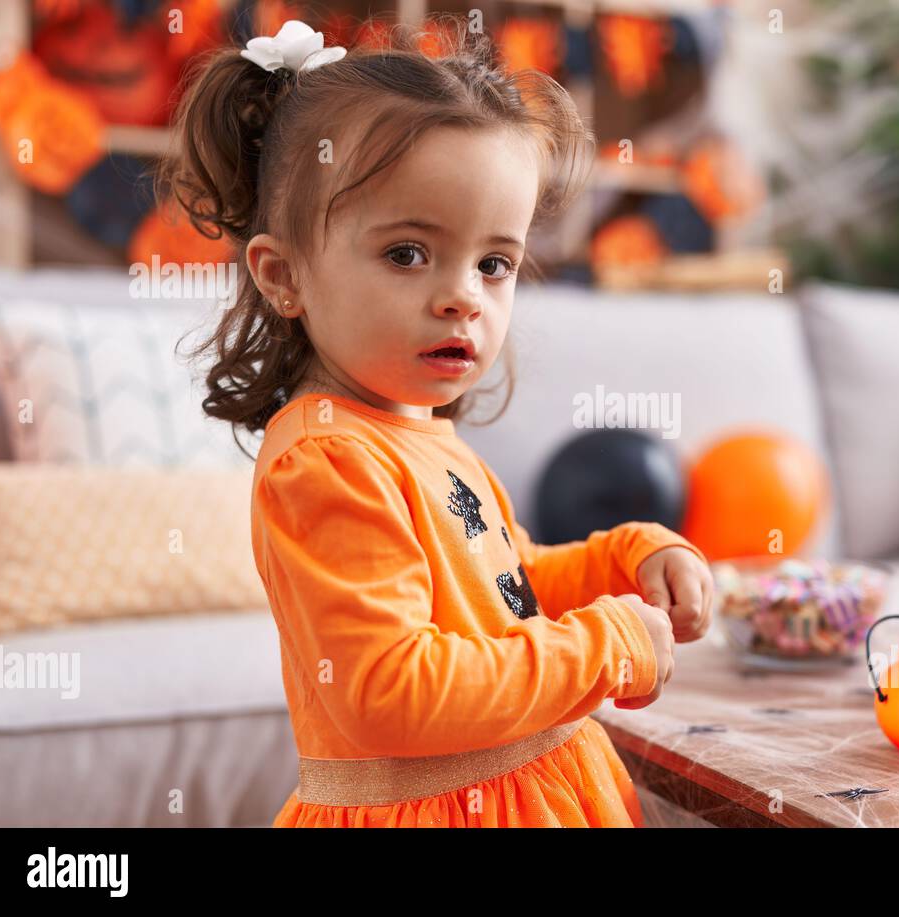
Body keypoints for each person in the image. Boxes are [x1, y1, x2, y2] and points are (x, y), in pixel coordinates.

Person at [161, 16, 713, 827]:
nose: (463, 295)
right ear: (285, 276)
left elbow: (507, 589)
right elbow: (391, 690)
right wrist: (604, 646)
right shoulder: (326, 461)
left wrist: (626, 560)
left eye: (495, 263)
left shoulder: (425, 437)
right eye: (408, 253)